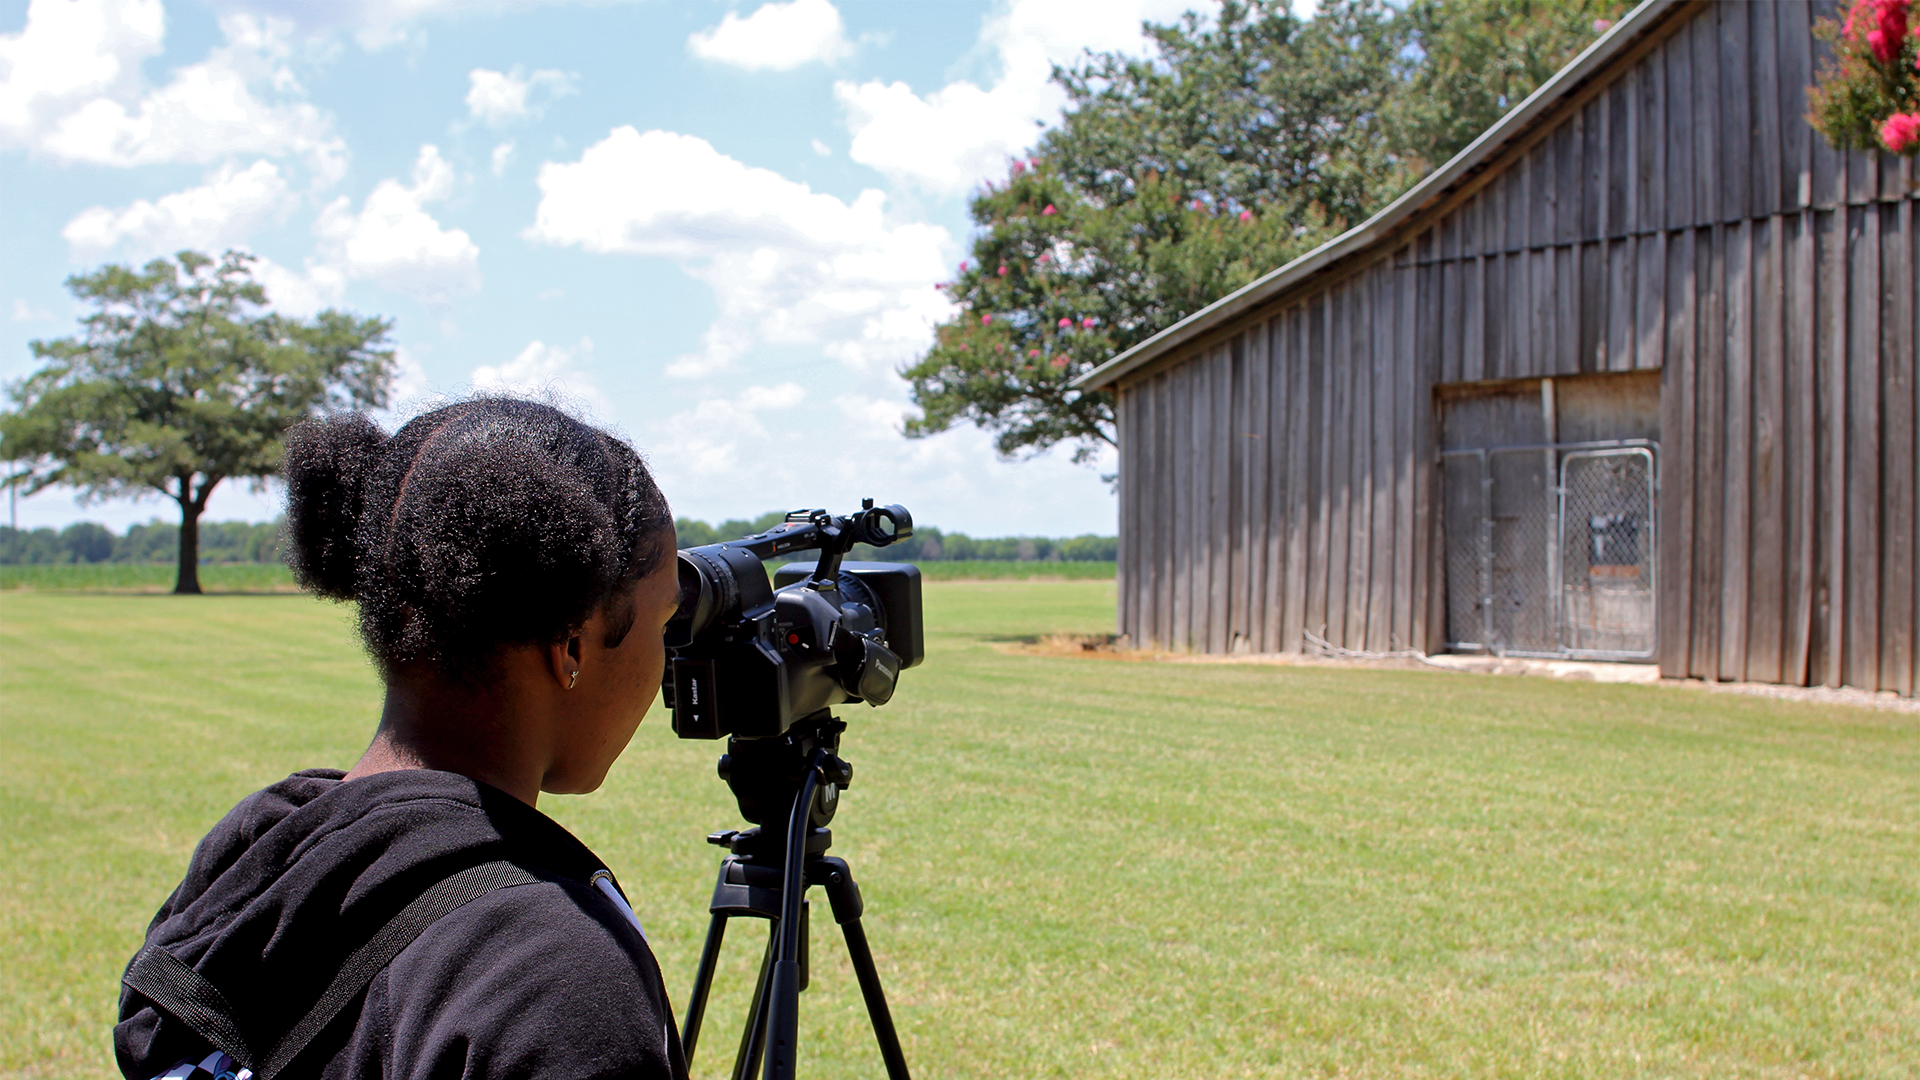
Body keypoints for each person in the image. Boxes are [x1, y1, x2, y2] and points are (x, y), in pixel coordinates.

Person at [114, 398, 689, 1080]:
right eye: (666, 621)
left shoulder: (257, 852)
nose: (666, 657)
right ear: (572, 642)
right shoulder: (556, 977)